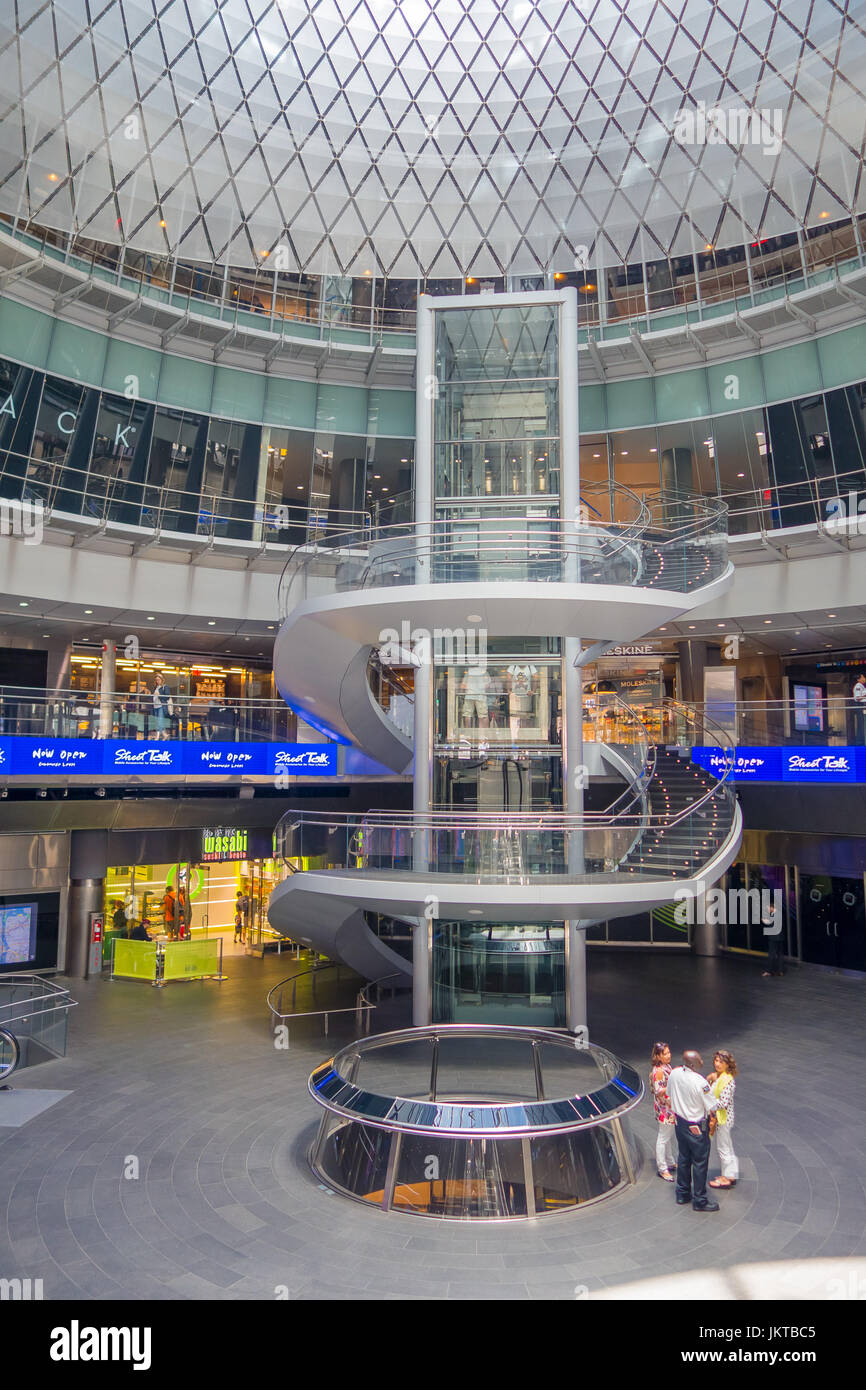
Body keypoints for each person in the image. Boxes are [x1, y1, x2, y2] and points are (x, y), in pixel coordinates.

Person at [667, 1050, 721, 1212]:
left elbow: (670, 1093)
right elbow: (712, 1106)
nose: (702, 1061)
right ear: (692, 1064)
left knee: (683, 1157)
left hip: (680, 1123)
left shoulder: (675, 1073)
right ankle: (700, 1200)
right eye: (699, 1059)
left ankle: (682, 1193)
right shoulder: (700, 1082)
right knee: (699, 1162)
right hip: (696, 1127)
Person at [708, 1050, 739, 1190]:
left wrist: (708, 1105)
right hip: (725, 1118)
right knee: (728, 1146)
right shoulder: (722, 1077)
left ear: (727, 1064)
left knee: (723, 1148)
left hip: (723, 1119)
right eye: (716, 1060)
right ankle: (731, 1174)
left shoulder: (727, 1081)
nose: (717, 1064)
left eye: (721, 1062)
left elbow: (723, 1103)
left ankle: (726, 1178)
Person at [649, 1041, 676, 1181]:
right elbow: (659, 1091)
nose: (668, 1055)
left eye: (669, 1052)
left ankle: (670, 1162)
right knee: (663, 1138)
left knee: (667, 1136)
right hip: (665, 1109)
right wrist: (674, 1083)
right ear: (658, 1056)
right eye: (665, 1053)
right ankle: (662, 1168)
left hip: (668, 1108)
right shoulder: (659, 1071)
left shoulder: (666, 1067)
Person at [761, 899, 784, 977]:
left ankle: (768, 971)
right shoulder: (780, 914)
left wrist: (764, 921)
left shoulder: (774, 914)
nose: (768, 910)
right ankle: (780, 971)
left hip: (773, 938)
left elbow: (770, 924)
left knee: (771, 954)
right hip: (780, 937)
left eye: (768, 908)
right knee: (780, 954)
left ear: (772, 908)